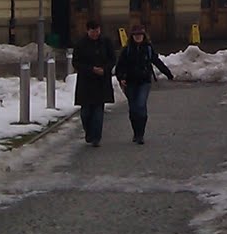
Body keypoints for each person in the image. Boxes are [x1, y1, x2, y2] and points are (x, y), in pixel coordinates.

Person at [115, 23, 174, 144]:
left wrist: (168, 73)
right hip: (130, 82)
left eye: (140, 34)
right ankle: (136, 132)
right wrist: (121, 78)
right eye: (136, 35)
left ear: (144, 35)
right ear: (132, 36)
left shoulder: (148, 48)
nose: (138, 37)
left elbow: (156, 61)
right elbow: (120, 66)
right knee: (133, 108)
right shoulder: (127, 50)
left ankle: (140, 134)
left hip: (144, 81)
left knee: (141, 105)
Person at [71, 17, 116, 146]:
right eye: (93, 31)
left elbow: (112, 59)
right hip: (86, 82)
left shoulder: (106, 42)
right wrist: (91, 69)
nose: (95, 34)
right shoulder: (80, 44)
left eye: (97, 31)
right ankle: (89, 132)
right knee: (85, 112)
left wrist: (105, 69)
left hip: (101, 81)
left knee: (98, 111)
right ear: (88, 31)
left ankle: (96, 137)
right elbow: (76, 62)